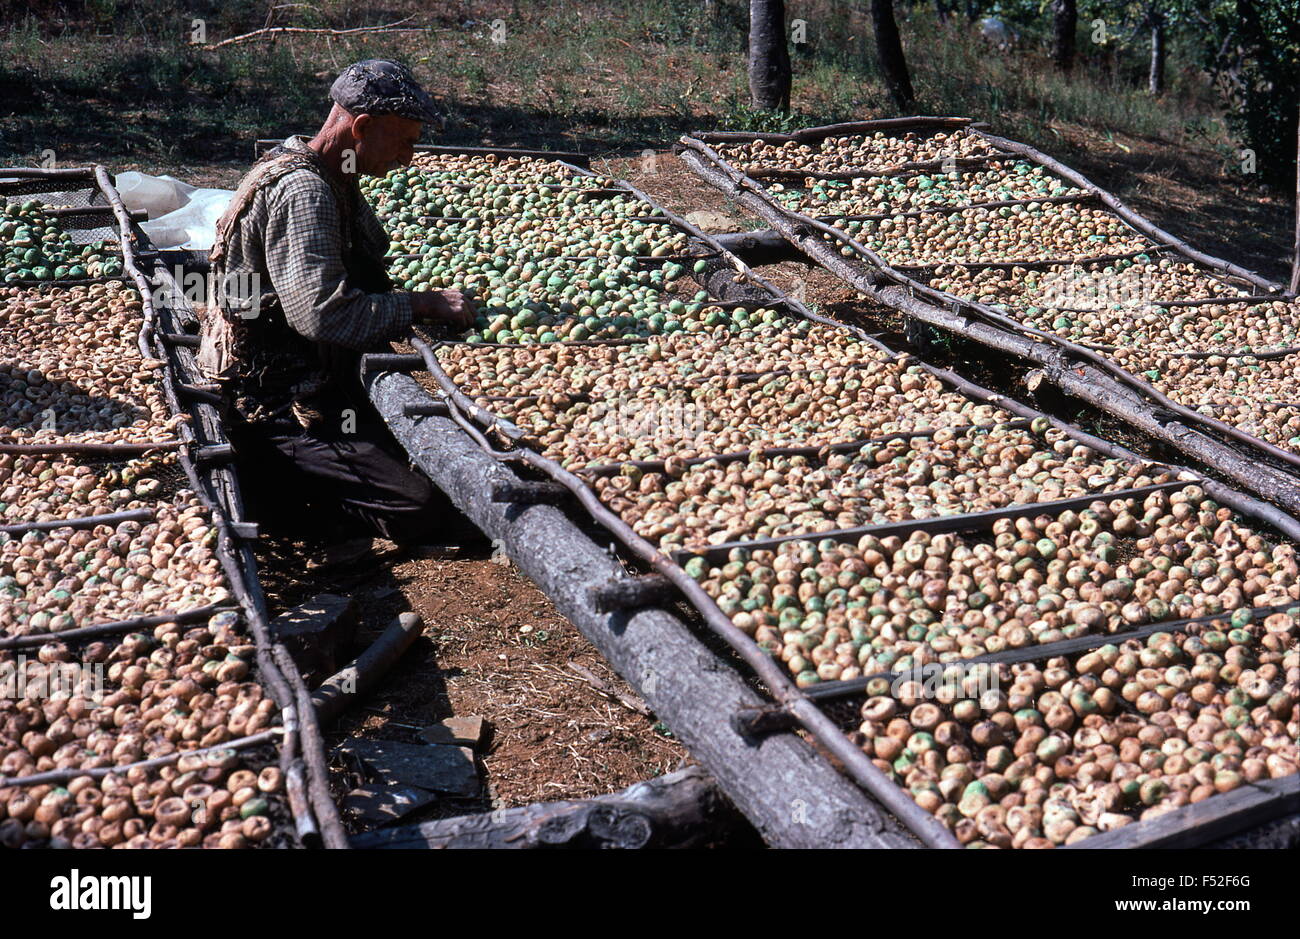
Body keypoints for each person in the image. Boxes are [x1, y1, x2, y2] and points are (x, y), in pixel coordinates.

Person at [197, 59, 475, 557]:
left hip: (310, 370)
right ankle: (275, 482)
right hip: (276, 399)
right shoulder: (304, 191)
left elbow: (366, 262)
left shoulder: (327, 169)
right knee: (420, 505)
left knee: (434, 452)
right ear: (362, 127)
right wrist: (423, 304)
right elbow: (325, 315)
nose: (409, 158)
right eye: (405, 141)